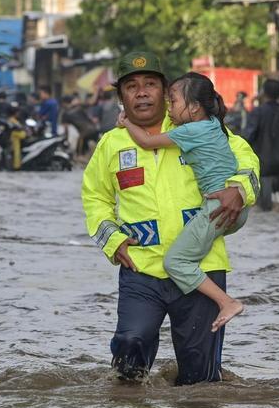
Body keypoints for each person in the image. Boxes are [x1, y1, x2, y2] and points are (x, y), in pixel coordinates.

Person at [82, 51, 260, 385]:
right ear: (121, 96)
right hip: (141, 270)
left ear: (166, 93)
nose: (142, 92)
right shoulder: (111, 144)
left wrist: (239, 189)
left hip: (202, 267)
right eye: (131, 86)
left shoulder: (199, 129)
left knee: (201, 382)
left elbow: (247, 162)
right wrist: (114, 241)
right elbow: (95, 198)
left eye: (151, 84)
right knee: (128, 358)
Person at [117, 71, 247, 332]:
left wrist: (125, 123)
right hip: (233, 210)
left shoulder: (189, 131)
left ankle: (227, 302)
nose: (169, 107)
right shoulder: (214, 124)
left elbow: (146, 141)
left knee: (176, 262)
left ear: (195, 106)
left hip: (218, 209)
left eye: (173, 101)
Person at [242, 79, 279, 211]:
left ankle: (273, 204)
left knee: (264, 208)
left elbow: (247, 138)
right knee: (278, 183)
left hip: (261, 165)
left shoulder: (257, 113)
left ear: (263, 93)